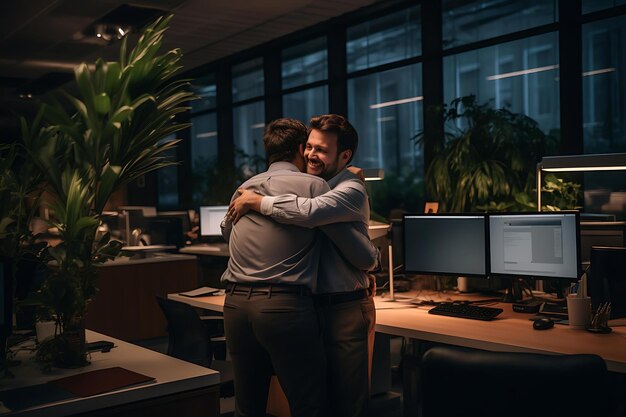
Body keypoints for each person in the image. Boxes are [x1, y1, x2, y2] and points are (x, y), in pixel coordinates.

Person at [220, 118, 378, 417]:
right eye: (309, 147)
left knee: (349, 404)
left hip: (344, 305)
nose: (310, 155)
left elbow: (313, 216)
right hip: (306, 307)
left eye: (321, 150)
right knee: (314, 401)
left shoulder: (348, 188)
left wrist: (258, 203)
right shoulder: (310, 186)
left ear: (345, 156)